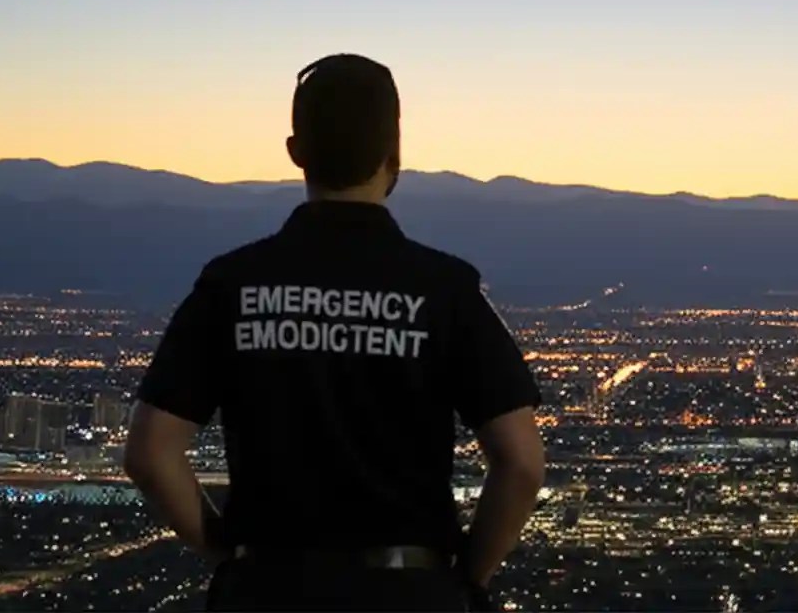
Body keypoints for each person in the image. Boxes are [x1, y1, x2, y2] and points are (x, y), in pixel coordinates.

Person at [123, 53, 546, 611]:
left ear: (296, 152)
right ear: (394, 154)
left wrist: (230, 555)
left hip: (268, 593)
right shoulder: (445, 289)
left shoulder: (233, 284)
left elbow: (151, 453)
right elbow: (520, 462)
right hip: (409, 595)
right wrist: (465, 580)